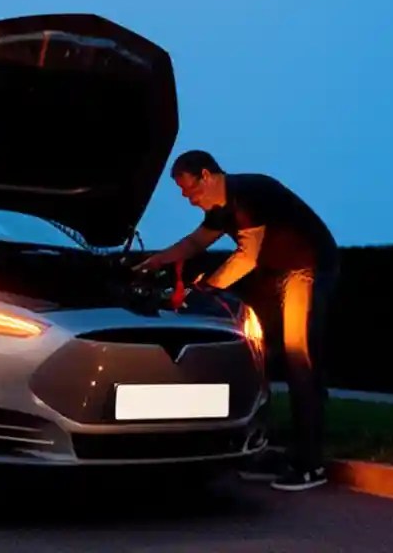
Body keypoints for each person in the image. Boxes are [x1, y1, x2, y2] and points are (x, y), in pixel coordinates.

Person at [134, 150, 339, 491]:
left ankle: (311, 465)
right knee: (267, 355)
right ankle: (286, 450)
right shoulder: (222, 208)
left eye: (191, 191)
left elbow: (247, 257)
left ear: (206, 176)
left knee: (299, 360)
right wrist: (155, 262)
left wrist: (208, 286)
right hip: (281, 273)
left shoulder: (247, 195)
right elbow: (195, 241)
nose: (189, 200)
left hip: (308, 268)